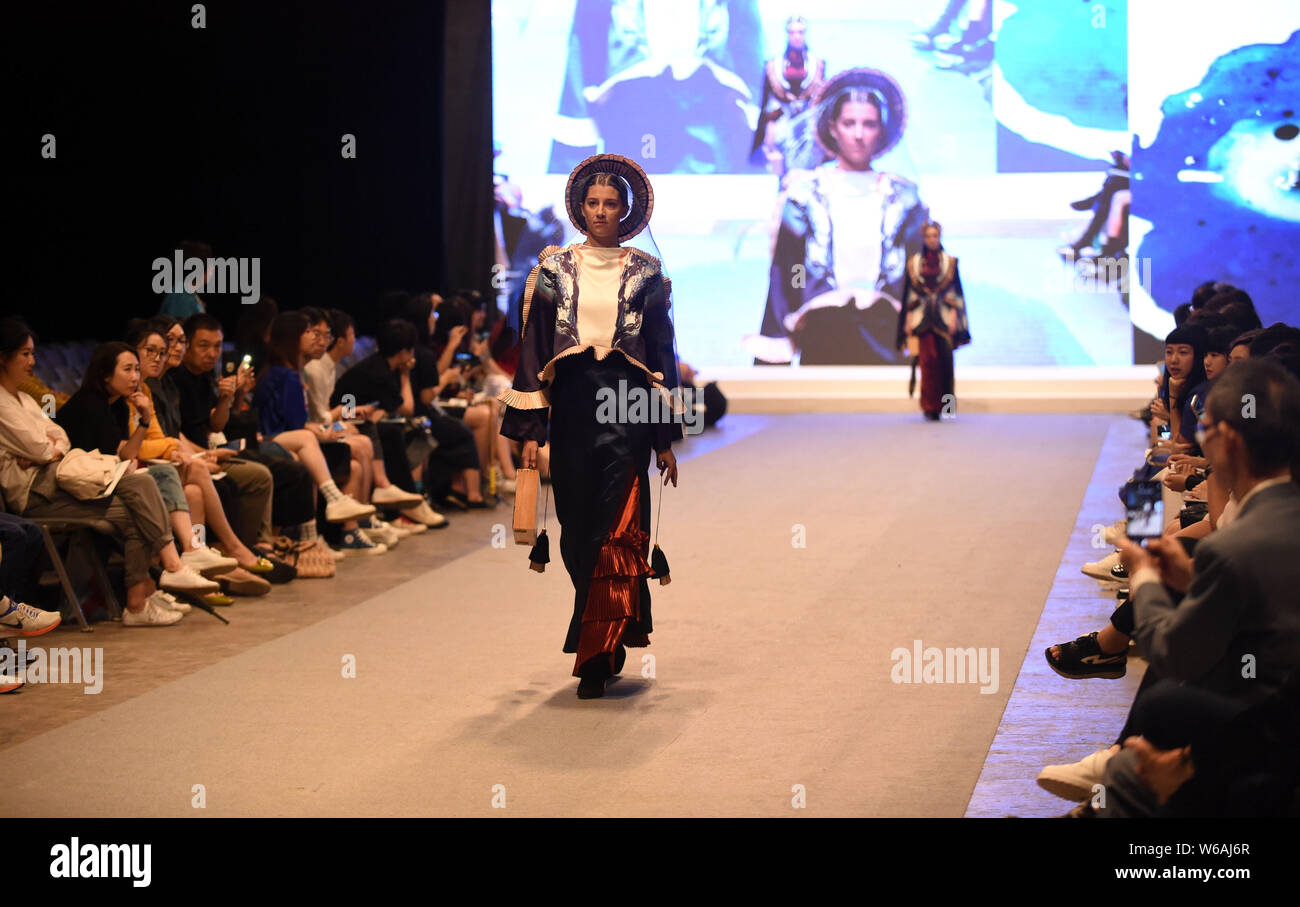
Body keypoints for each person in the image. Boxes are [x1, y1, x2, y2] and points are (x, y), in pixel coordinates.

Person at [500, 154, 683, 699]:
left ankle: (599, 653)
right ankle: (602, 628)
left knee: (617, 530)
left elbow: (661, 356)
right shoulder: (552, 269)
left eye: (611, 204)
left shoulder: (648, 273)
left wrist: (664, 440)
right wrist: (531, 436)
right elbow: (533, 350)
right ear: (580, 209)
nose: (602, 212)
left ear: (626, 211)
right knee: (579, 537)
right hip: (575, 408)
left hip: (626, 407)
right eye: (593, 204)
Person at [0, 318, 216, 626]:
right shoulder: (5, 403)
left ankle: (141, 600)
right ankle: (171, 567)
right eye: (24, 354)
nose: (33, 361)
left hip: (59, 479)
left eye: (33, 353)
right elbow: (41, 447)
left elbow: (57, 437)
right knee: (140, 484)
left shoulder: (24, 399)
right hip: (36, 492)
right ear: (3, 357)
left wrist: (47, 450)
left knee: (137, 501)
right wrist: (45, 451)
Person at [746, 68, 928, 365]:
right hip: (823, 339)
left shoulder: (904, 198)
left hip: (890, 341)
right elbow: (785, 276)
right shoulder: (806, 195)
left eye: (868, 124)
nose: (858, 134)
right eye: (849, 123)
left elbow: (922, 278)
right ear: (832, 127)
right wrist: (772, 365)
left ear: (881, 130)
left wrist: (933, 358)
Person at [252, 312, 382, 556]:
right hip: (271, 438)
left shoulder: (295, 371)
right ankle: (329, 508)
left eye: (321, 333)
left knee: (350, 458)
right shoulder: (287, 374)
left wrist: (327, 428)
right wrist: (329, 428)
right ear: (292, 337)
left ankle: (350, 526)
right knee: (313, 447)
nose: (317, 339)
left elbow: (304, 422)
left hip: (290, 436)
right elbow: (297, 425)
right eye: (309, 332)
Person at [896, 221, 970, 420]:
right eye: (928, 236)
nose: (932, 239)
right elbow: (910, 294)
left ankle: (948, 407)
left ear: (940, 237)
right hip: (922, 320)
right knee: (927, 364)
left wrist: (955, 318)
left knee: (946, 364)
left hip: (945, 320)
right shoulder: (915, 263)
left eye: (935, 236)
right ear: (923, 238)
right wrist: (908, 320)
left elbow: (956, 294)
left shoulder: (950, 262)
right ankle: (929, 407)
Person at [749, 15, 826, 180]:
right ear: (787, 34)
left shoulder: (817, 65)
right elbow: (767, 102)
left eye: (800, 32)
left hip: (807, 125)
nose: (796, 36)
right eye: (792, 32)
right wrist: (768, 128)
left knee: (810, 164)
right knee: (778, 160)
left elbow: (821, 101)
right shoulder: (773, 66)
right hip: (782, 124)